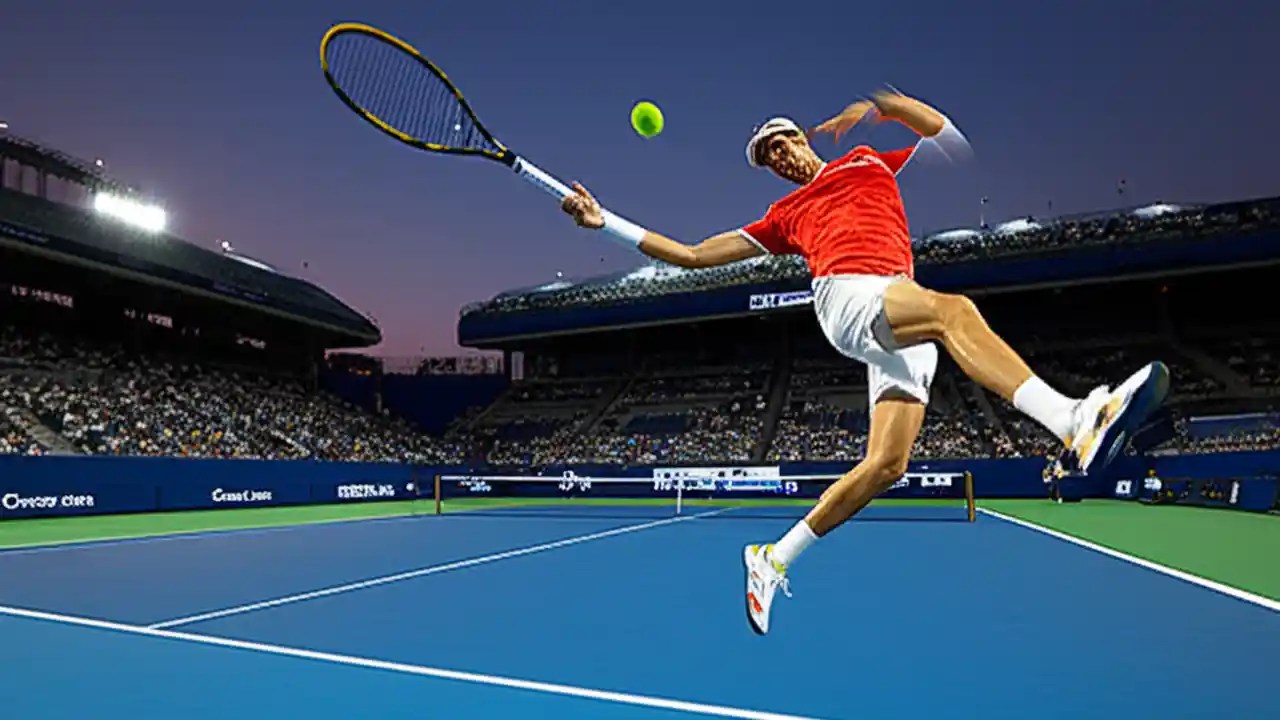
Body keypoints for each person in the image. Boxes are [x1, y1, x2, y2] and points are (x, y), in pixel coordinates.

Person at [560, 89, 1169, 635]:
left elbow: (948, 140)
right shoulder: (783, 216)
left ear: (800, 137)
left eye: (779, 144)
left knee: (886, 465)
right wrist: (603, 222)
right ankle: (1072, 420)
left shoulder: (869, 161)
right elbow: (692, 255)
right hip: (849, 297)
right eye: (767, 158)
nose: (777, 158)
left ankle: (772, 558)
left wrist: (884, 104)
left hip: (897, 303)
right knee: (953, 311)